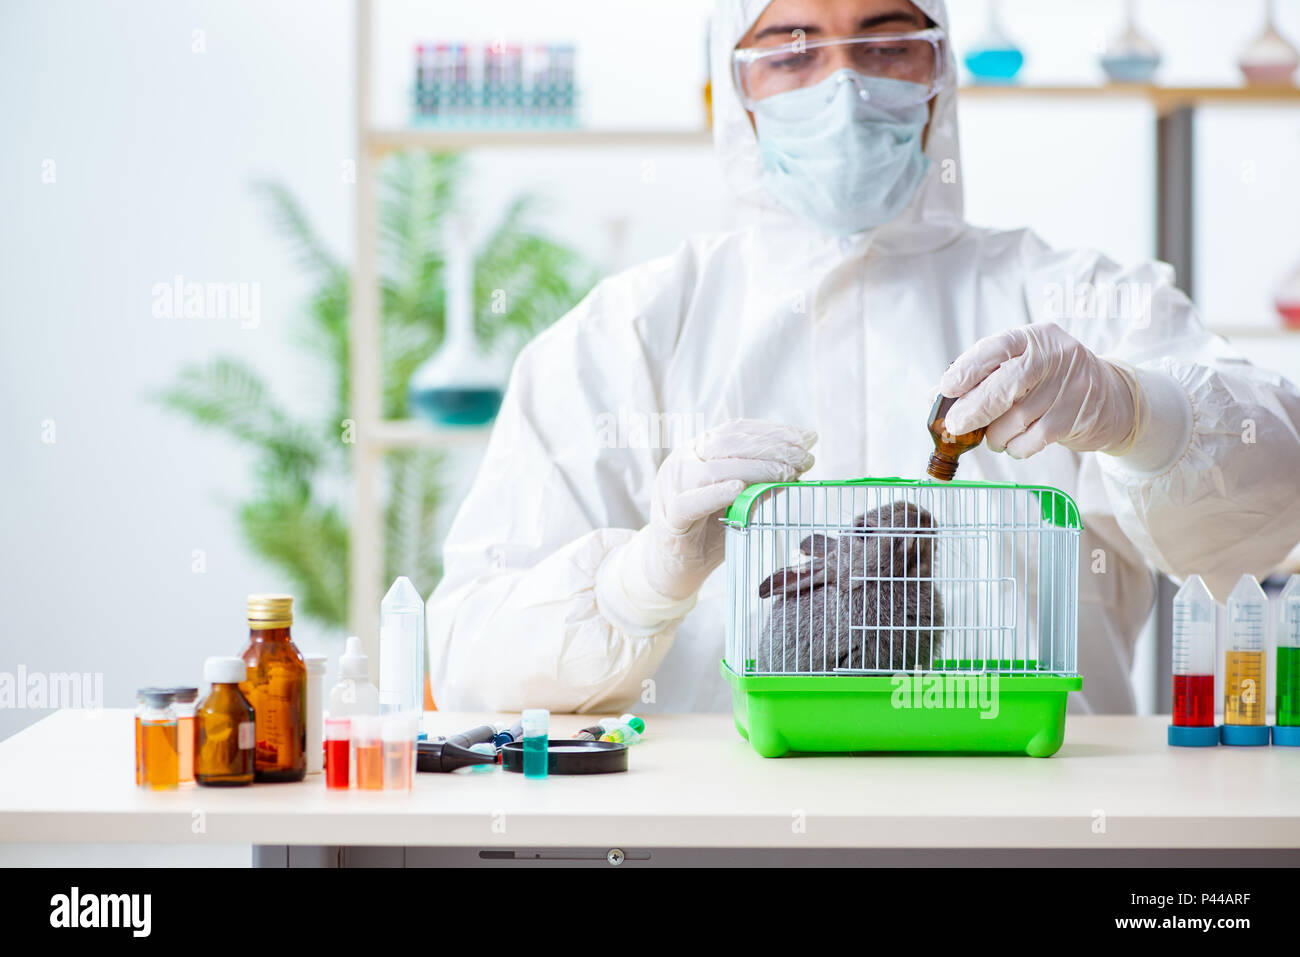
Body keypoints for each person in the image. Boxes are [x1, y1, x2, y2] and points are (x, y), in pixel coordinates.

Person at [427, 0, 1300, 715]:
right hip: (721, 842)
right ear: (732, 86)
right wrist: (638, 582)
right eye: (791, 48)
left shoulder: (1078, 301)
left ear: (940, 74)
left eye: (888, 43)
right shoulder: (625, 334)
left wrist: (1140, 413)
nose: (843, 86)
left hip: (1031, 833)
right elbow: (470, 654)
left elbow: (1277, 502)